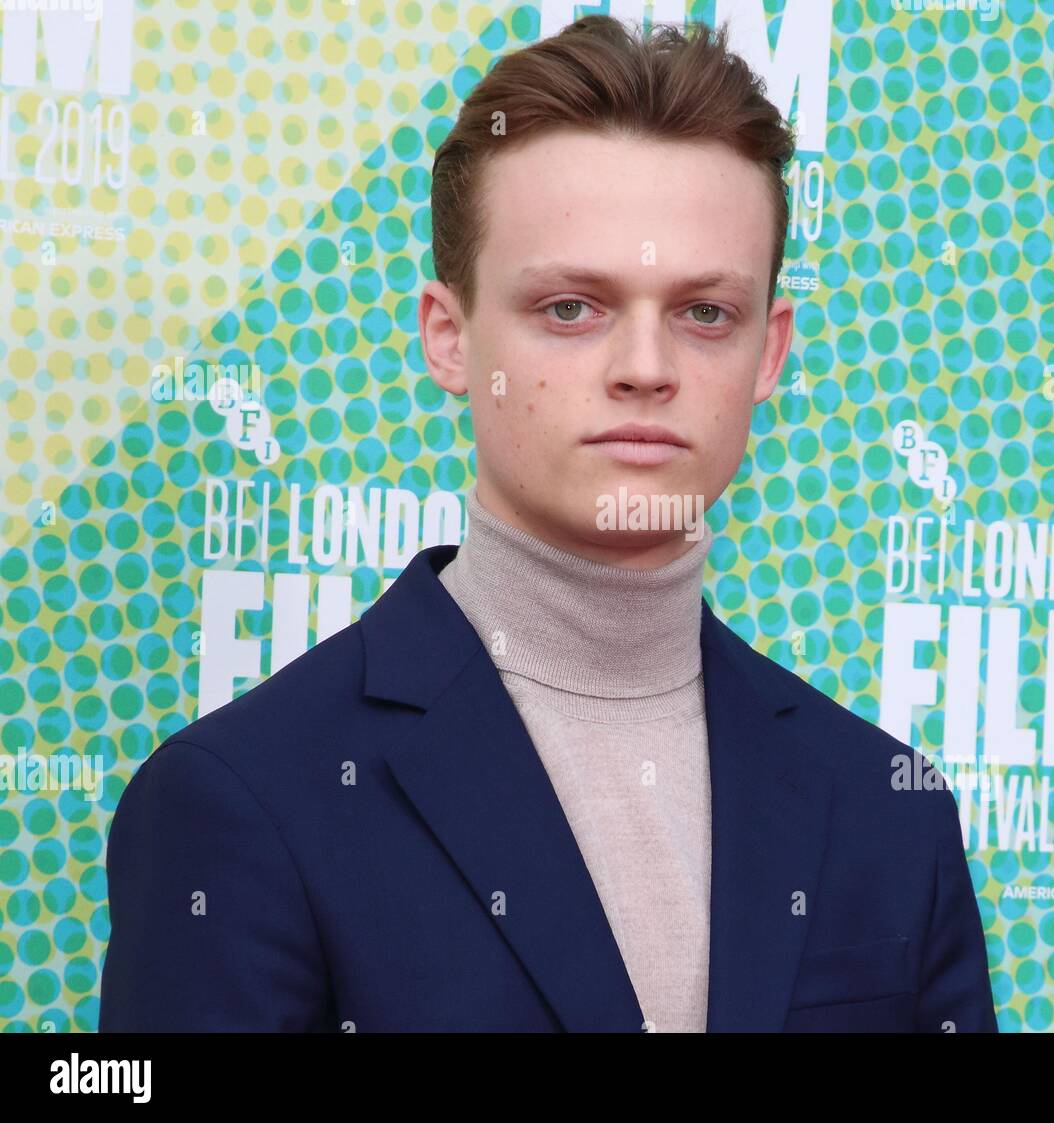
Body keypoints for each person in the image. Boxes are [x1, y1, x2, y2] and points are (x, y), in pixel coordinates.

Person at [99, 14, 997, 1033]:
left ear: (769, 351)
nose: (646, 367)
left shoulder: (886, 808)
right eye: (572, 308)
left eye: (705, 312)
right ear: (449, 337)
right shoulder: (244, 801)